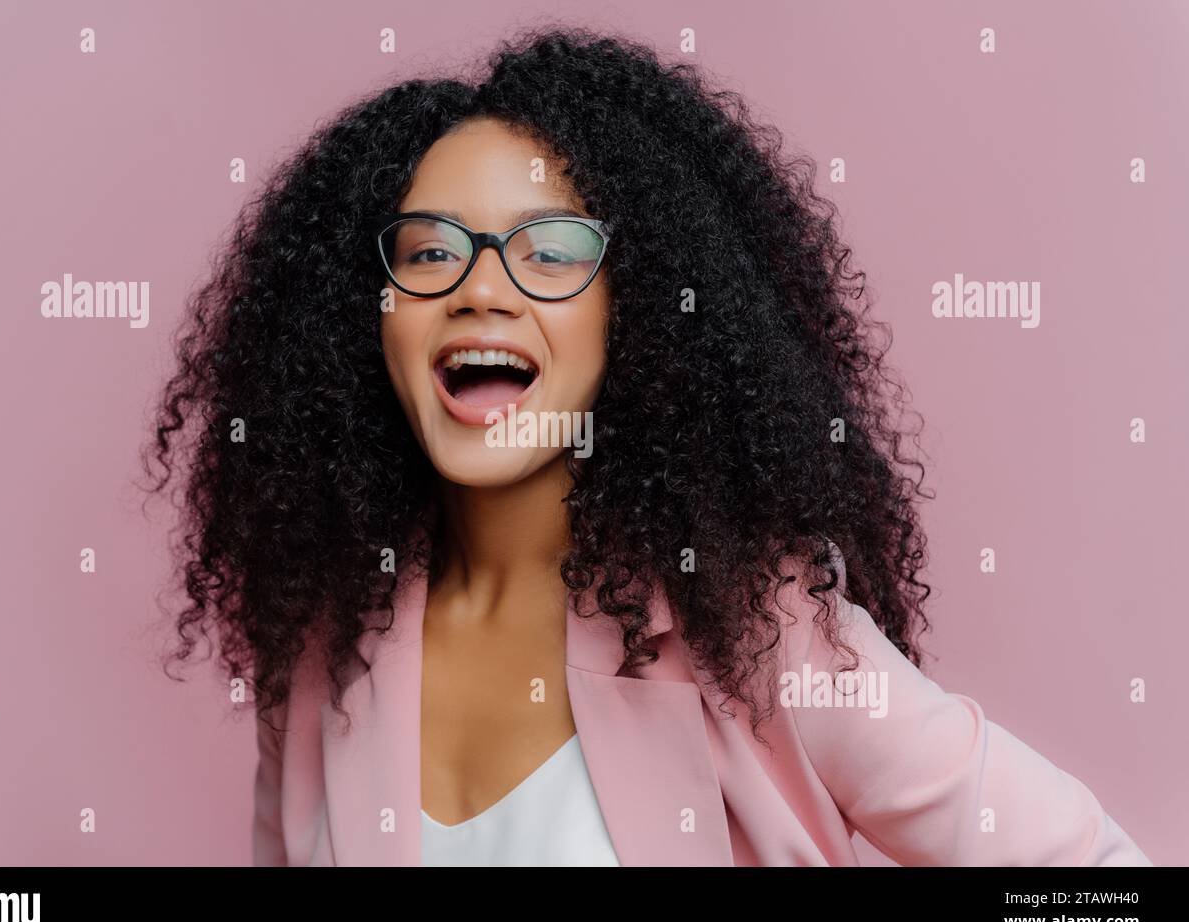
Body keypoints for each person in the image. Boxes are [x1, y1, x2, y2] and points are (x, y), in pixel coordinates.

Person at [142, 26, 1151, 866]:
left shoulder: (757, 630)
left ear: (636, 316)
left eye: (549, 252)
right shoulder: (320, 641)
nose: (479, 289)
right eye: (431, 252)